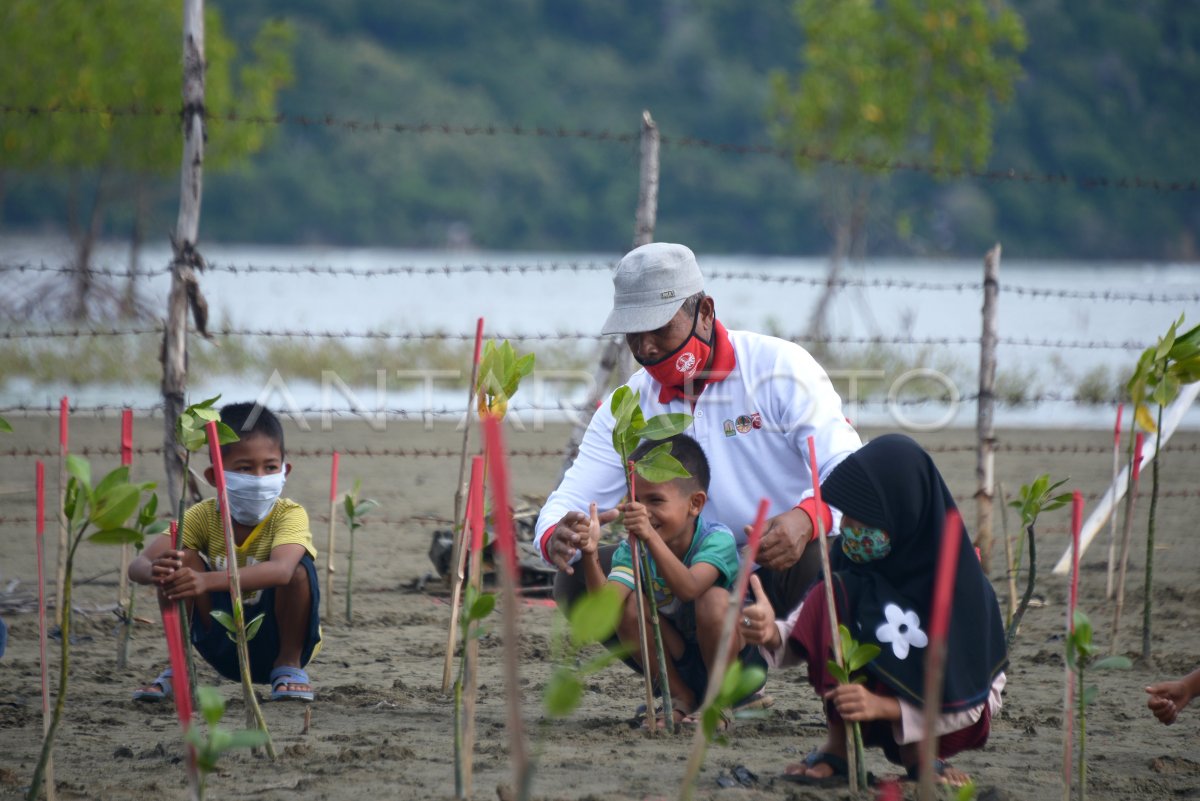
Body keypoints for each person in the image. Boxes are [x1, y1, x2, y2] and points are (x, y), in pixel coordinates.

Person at [536, 242, 862, 637]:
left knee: (822, 550)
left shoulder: (779, 368)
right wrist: (558, 536)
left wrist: (808, 518)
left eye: (660, 328)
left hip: (778, 565)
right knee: (574, 582)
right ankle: (687, 674)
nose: (646, 347)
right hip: (682, 574)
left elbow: (851, 470)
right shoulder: (628, 407)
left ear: (705, 312)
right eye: (634, 334)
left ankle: (788, 649)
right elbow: (567, 503)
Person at [741, 434, 1007, 787]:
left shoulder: (959, 583)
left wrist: (886, 708)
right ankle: (839, 748)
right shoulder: (848, 560)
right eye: (845, 516)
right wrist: (770, 632)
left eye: (860, 518)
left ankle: (921, 755)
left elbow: (974, 699)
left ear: (902, 514)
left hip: (949, 716)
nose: (846, 529)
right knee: (834, 593)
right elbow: (806, 620)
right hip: (857, 705)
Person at [129, 402, 321, 702]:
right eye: (245, 468)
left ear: (285, 470)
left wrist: (205, 581)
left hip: (276, 637)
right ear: (214, 475)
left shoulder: (289, 514)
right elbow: (138, 564)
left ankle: (288, 666)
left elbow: (282, 571)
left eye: (270, 467)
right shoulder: (203, 515)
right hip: (220, 636)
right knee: (177, 562)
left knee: (299, 570)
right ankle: (179, 667)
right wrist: (155, 571)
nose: (259, 478)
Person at [579, 434, 764, 727]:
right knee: (630, 606)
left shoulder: (716, 539)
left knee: (713, 600)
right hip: (680, 658)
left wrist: (649, 536)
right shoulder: (634, 548)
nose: (642, 511)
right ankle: (679, 696)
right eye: (635, 501)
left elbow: (689, 588)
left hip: (733, 661)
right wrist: (589, 553)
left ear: (695, 504)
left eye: (655, 500)